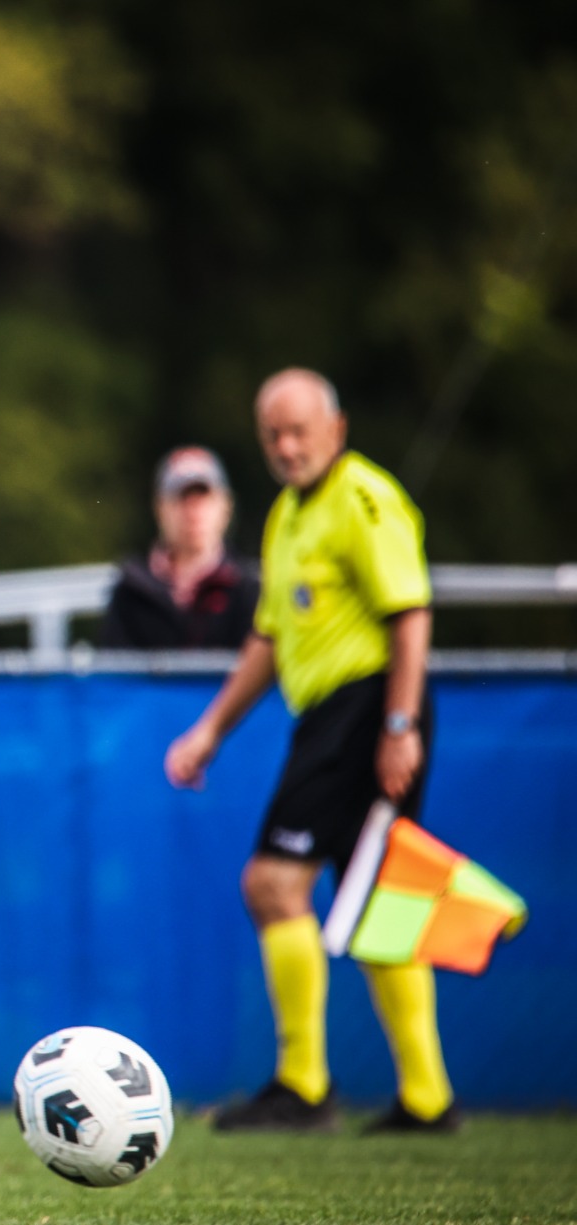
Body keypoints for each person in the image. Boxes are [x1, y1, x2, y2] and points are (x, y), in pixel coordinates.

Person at [165, 368, 454, 1134]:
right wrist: (210, 730)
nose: (287, 447)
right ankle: (426, 1098)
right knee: (377, 898)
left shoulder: (363, 497)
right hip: (333, 715)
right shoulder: (289, 514)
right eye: (273, 435)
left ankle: (305, 1084)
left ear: (337, 428)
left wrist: (399, 725)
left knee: (274, 882)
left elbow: (410, 613)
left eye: (299, 431)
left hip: (367, 709)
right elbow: (268, 636)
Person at [101, 446, 259, 649]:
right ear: (160, 508)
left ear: (225, 506)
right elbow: (112, 663)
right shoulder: (131, 590)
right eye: (182, 499)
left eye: (203, 499)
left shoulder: (246, 589)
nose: (193, 512)